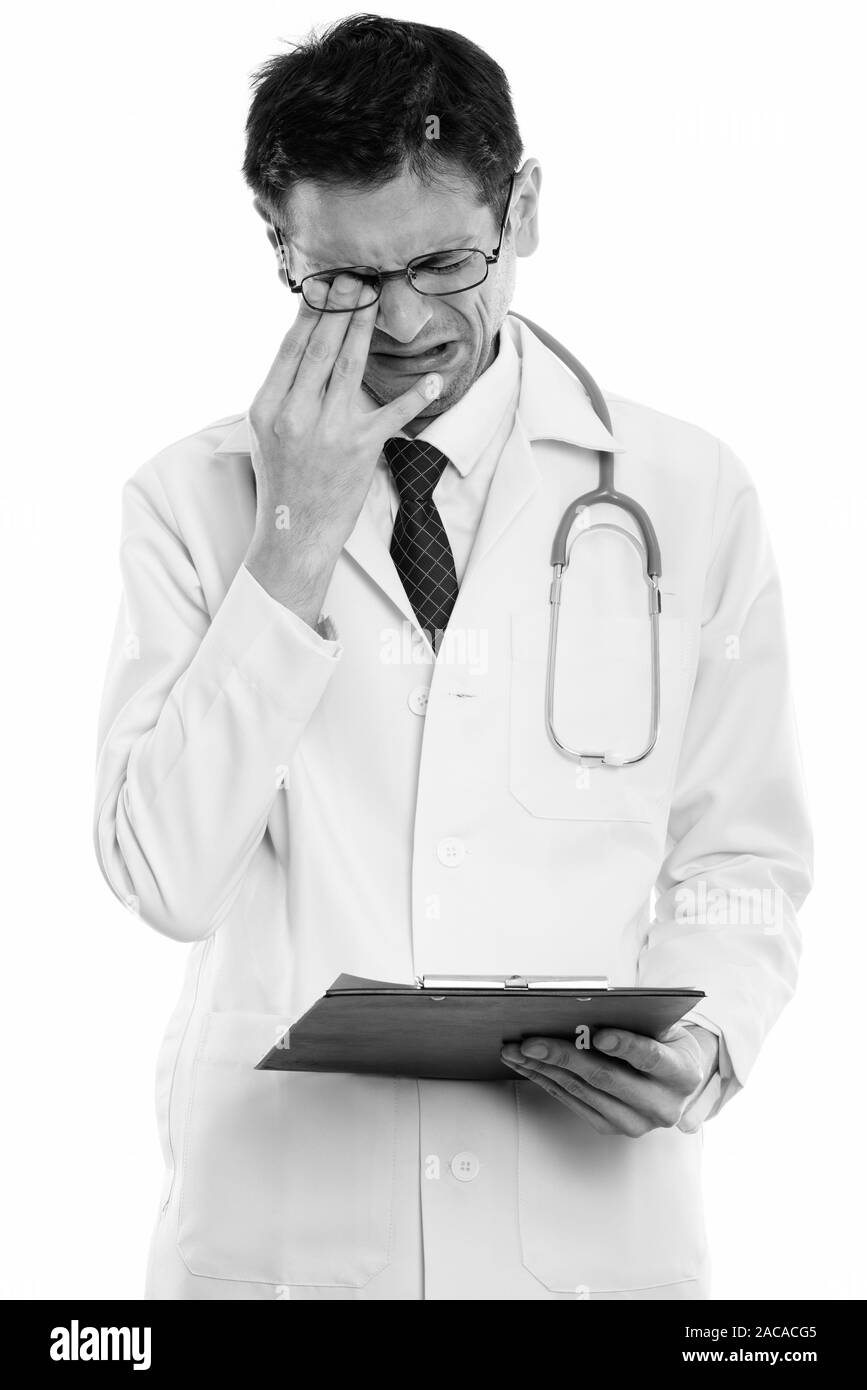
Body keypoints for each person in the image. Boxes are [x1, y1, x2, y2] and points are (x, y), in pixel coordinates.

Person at [93, 14, 812, 1301]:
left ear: (523, 206)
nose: (404, 320)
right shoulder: (192, 505)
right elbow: (166, 881)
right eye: (344, 280)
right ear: (278, 246)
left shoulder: (689, 492)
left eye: (442, 261)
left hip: (588, 1244)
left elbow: (741, 857)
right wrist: (295, 536)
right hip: (286, 1250)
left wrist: (704, 1044)